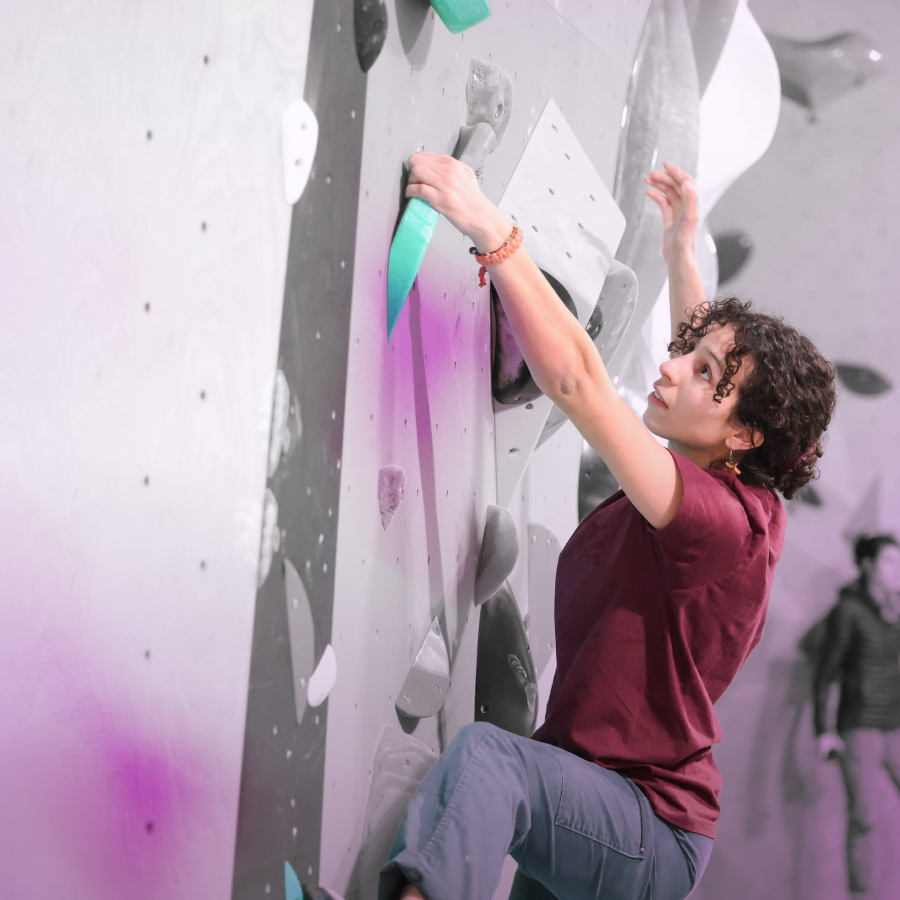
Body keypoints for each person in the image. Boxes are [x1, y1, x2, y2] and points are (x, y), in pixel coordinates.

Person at [376, 157, 836, 900]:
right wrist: (681, 254)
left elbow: (578, 383)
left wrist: (492, 227)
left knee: (492, 763)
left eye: (701, 371)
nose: (672, 367)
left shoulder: (716, 524)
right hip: (600, 795)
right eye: (687, 354)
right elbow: (722, 385)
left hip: (644, 824)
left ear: (744, 434)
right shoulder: (742, 482)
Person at [813, 533, 900, 895]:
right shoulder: (847, 610)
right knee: (865, 816)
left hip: (896, 725)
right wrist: (824, 730)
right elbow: (825, 673)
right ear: (867, 565)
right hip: (859, 727)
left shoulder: (896, 610)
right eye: (889, 562)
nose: (897, 570)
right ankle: (862, 893)